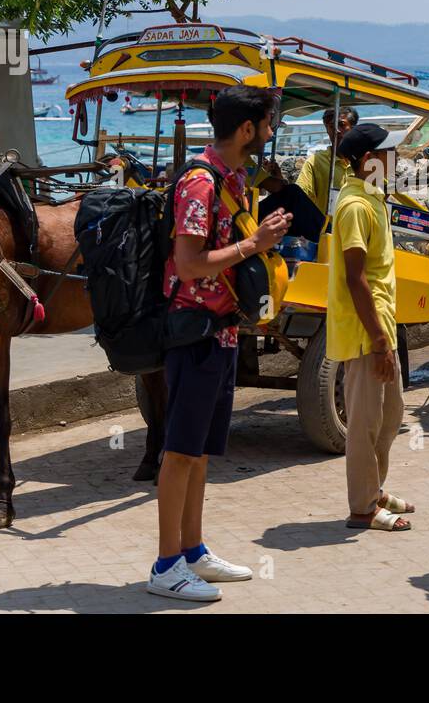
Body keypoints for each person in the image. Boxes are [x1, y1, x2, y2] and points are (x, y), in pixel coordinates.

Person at [148, 86, 292, 602]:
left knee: (201, 450)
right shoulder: (200, 184)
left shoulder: (231, 180)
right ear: (247, 130)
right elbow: (188, 265)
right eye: (268, 124)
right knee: (181, 452)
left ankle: (192, 552)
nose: (272, 132)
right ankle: (166, 565)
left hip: (222, 331)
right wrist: (256, 244)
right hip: (196, 333)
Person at [329, 123, 413, 532]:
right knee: (364, 422)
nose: (394, 160)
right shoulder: (355, 206)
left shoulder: (372, 196)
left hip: (381, 324)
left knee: (391, 413)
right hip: (366, 332)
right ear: (368, 161)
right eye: (388, 154)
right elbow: (355, 277)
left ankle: (374, 488)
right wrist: (379, 339)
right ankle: (362, 507)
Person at [258, 107, 358, 240]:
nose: (336, 130)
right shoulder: (316, 162)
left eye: (341, 125)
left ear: (353, 127)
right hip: (328, 232)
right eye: (330, 126)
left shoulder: (365, 162)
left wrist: (390, 158)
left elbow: (387, 192)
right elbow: (299, 197)